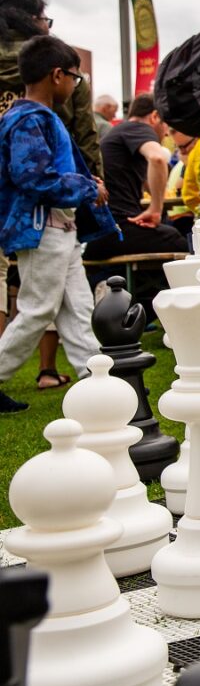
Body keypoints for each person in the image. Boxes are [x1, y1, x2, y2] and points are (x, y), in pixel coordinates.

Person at [0, 36, 117, 413]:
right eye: (74, 78)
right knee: (38, 308)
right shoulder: (29, 119)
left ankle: (95, 379)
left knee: (77, 306)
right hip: (43, 227)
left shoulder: (33, 117)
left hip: (57, 229)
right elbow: (32, 177)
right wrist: (87, 186)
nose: (74, 85)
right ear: (56, 75)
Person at [84, 94, 185, 315]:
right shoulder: (139, 129)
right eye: (165, 125)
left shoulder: (119, 135)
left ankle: (113, 294)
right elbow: (158, 159)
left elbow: (150, 181)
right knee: (180, 241)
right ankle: (156, 312)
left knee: (164, 236)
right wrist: (156, 209)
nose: (166, 132)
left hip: (100, 232)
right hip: (116, 228)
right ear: (154, 116)